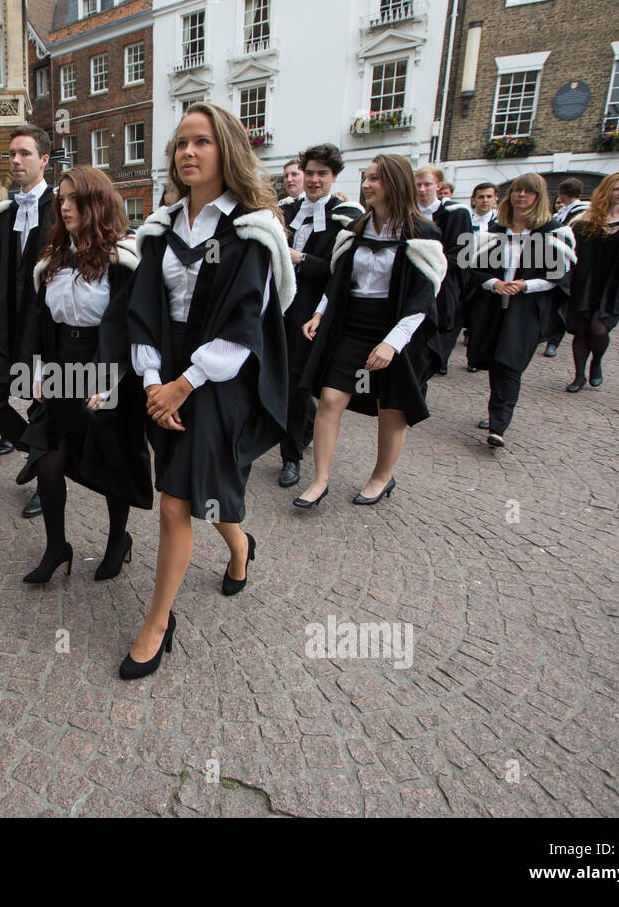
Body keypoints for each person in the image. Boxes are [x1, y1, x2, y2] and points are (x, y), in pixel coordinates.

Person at [125, 102, 294, 678]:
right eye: (180, 144)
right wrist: (153, 383)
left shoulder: (252, 230)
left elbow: (246, 323)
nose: (188, 152)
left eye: (201, 141)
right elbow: (142, 310)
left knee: (175, 502)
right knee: (198, 487)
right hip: (164, 375)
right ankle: (240, 545)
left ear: (228, 150)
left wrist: (184, 384)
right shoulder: (162, 229)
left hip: (218, 379)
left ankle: (157, 623)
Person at [20, 166, 150, 584]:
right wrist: (38, 370)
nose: (65, 205)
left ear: (97, 203)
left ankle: (118, 541)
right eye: (61, 198)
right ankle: (57, 546)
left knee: (111, 457)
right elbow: (40, 319)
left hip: (106, 366)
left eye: (75, 198)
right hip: (61, 363)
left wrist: (107, 379)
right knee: (47, 457)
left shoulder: (123, 259)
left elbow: (130, 326)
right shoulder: (53, 257)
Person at [295, 154, 444, 508]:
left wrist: (391, 344)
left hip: (397, 327)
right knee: (331, 398)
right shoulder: (357, 229)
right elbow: (339, 281)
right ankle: (320, 480)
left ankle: (381, 476)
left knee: (391, 407)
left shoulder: (422, 234)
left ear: (395, 183)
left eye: (375, 178)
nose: (366, 184)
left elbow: (424, 299)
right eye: (366, 178)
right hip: (351, 323)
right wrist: (319, 314)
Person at [0, 124, 56, 517]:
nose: (16, 161)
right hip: (5, 327)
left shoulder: (60, 208)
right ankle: (36, 455)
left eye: (24, 153)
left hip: (43, 332)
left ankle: (45, 480)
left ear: (44, 160)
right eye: (11, 154)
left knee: (42, 407)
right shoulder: (4, 215)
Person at [277, 143, 363, 489]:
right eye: (309, 172)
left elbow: (338, 271)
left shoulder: (346, 216)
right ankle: (299, 433)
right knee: (283, 378)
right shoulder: (286, 209)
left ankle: (291, 457)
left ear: (334, 177)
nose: (313, 180)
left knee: (299, 383)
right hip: (280, 304)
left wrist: (298, 259)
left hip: (314, 308)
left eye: (321, 174)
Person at [466, 174, 575, 447]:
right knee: (494, 361)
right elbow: (475, 269)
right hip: (493, 306)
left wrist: (524, 285)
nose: (521, 196)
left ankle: (499, 426)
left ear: (539, 197)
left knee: (510, 364)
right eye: (516, 191)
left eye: (529, 192)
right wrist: (494, 283)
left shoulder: (551, 233)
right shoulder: (496, 230)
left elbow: (558, 276)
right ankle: (495, 415)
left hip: (527, 308)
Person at [562, 172, 619, 392]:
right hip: (585, 281)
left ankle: (597, 363)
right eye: (617, 188)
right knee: (582, 330)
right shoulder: (585, 220)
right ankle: (579, 375)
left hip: (614, 283)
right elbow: (571, 251)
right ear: (606, 191)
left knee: (599, 329)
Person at [415, 165, 472, 376]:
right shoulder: (408, 212)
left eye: (427, 184)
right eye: (418, 184)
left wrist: (429, 263)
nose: (422, 189)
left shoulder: (455, 214)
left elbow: (463, 255)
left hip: (440, 285)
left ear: (438, 186)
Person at [544, 178, 588, 355]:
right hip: (557, 262)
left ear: (562, 193)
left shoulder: (583, 214)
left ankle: (554, 339)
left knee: (562, 301)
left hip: (571, 265)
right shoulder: (561, 214)